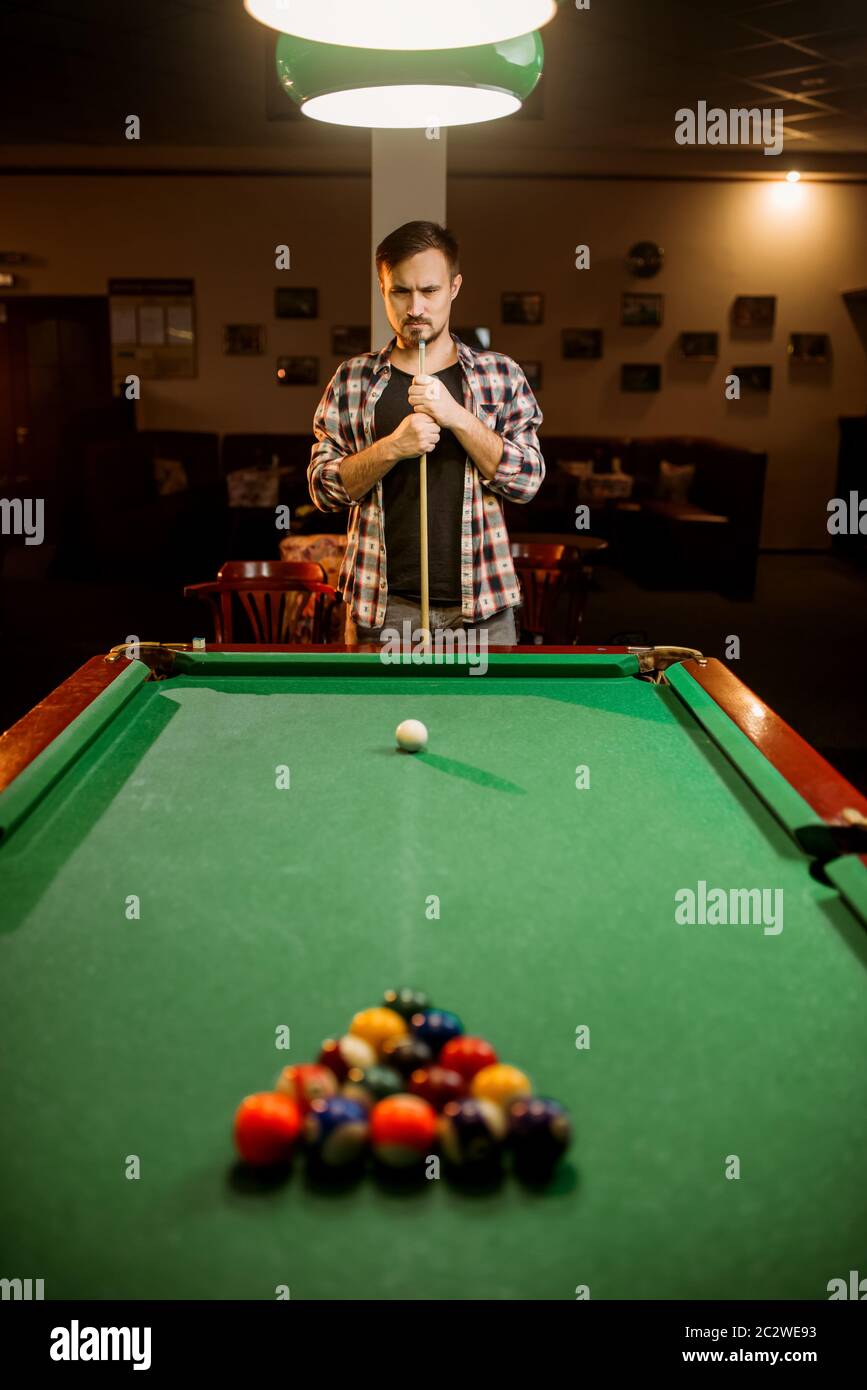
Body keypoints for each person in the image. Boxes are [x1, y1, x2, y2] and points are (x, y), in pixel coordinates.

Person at [308, 220, 544, 646]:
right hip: (382, 607)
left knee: (492, 716)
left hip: (483, 610)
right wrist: (393, 448)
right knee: (374, 716)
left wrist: (456, 416)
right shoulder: (353, 379)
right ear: (383, 289)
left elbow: (527, 482)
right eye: (400, 291)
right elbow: (323, 490)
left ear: (454, 287)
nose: (415, 306)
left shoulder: (500, 374)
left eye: (429, 291)